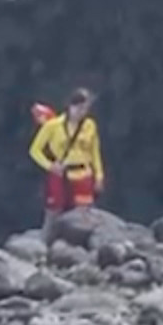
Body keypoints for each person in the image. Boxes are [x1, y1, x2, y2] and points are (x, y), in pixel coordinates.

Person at [29, 88, 104, 234]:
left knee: (83, 215)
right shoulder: (52, 126)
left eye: (85, 108)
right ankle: (46, 244)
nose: (82, 112)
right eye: (79, 107)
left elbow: (94, 152)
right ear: (70, 106)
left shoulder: (90, 125)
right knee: (54, 212)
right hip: (61, 173)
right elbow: (34, 150)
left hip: (83, 173)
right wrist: (49, 166)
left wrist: (99, 176)